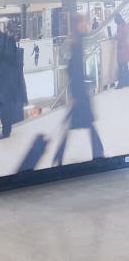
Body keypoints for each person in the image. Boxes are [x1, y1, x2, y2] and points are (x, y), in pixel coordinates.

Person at [53, 14, 104, 165]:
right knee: (84, 123)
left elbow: (72, 67)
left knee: (79, 124)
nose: (86, 25)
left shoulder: (78, 39)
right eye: (83, 23)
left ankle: (60, 154)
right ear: (77, 25)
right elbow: (73, 69)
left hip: (80, 90)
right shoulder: (75, 42)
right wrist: (75, 94)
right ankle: (97, 152)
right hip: (79, 91)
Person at [116, 14, 129, 88]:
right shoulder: (125, 25)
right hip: (126, 47)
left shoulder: (120, 26)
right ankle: (127, 81)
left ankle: (120, 83)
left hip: (121, 48)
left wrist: (115, 36)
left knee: (120, 66)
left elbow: (120, 36)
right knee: (125, 65)